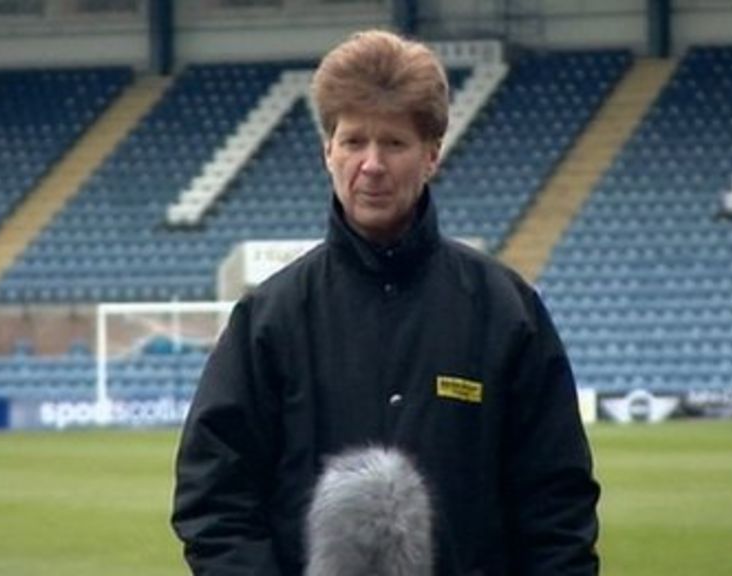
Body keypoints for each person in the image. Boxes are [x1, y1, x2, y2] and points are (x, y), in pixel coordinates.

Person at [171, 29, 600, 575]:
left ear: (431, 155)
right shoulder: (268, 318)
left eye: (394, 143)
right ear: (328, 150)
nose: (371, 164)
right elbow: (214, 496)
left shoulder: (505, 311)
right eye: (353, 141)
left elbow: (556, 505)